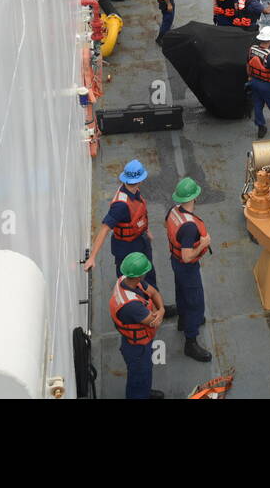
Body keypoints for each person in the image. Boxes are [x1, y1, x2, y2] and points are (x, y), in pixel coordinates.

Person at [83, 160, 173, 309]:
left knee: (148, 274)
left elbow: (139, 214)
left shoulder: (133, 191)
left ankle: (156, 306)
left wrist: (146, 230)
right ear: (141, 180)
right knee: (131, 281)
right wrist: (92, 257)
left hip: (140, 240)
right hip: (127, 248)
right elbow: (105, 228)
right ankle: (140, 311)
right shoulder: (120, 205)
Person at [165, 176, 213, 363]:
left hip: (175, 262)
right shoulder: (190, 227)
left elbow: (167, 226)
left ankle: (183, 320)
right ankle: (190, 342)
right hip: (187, 266)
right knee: (195, 302)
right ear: (194, 198)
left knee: (181, 291)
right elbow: (187, 256)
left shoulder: (173, 211)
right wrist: (203, 245)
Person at [109, 252, 166, 399]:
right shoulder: (132, 306)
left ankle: (145, 392)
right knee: (139, 377)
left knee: (144, 374)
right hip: (137, 347)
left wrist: (161, 310)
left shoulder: (125, 279)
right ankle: (140, 394)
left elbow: (154, 293)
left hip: (134, 342)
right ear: (140, 276)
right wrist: (159, 312)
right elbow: (154, 322)